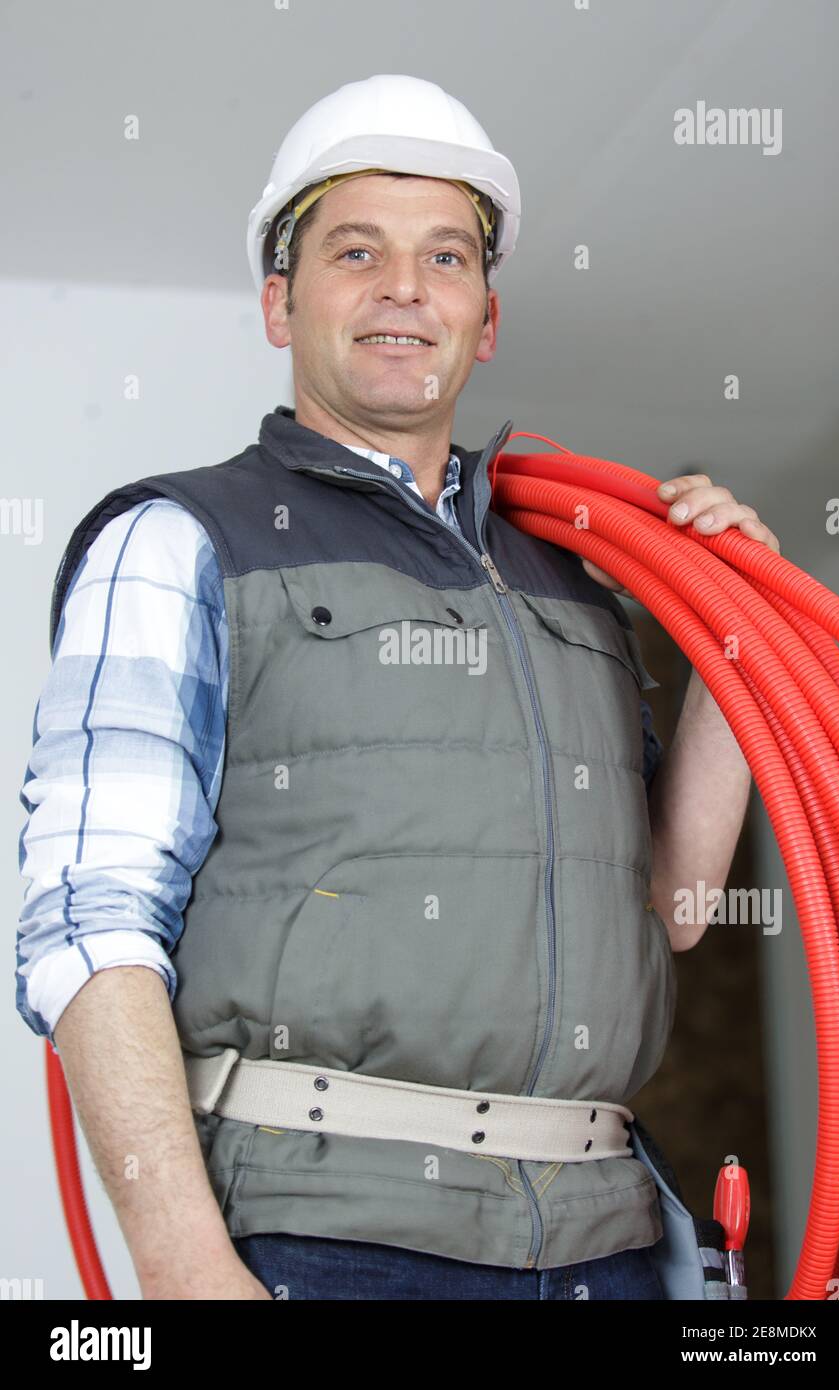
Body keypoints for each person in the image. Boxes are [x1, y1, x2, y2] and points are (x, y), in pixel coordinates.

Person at [16, 74, 776, 1301]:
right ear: (279, 300)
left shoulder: (574, 578)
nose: (403, 290)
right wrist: (185, 1271)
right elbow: (90, 921)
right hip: (329, 1237)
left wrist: (733, 629)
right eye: (354, 250)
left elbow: (674, 902)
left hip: (604, 1238)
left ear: (483, 319)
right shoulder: (183, 541)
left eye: (444, 257)